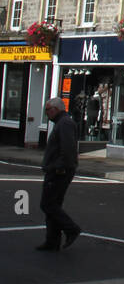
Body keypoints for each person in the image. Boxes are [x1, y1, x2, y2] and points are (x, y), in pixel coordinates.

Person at [37, 97, 81, 252]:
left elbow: (68, 150)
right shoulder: (62, 123)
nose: (46, 113)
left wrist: (58, 167)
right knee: (53, 205)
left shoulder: (65, 123)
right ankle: (52, 241)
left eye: (47, 110)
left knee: (48, 204)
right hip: (56, 169)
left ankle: (71, 229)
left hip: (59, 172)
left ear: (55, 109)